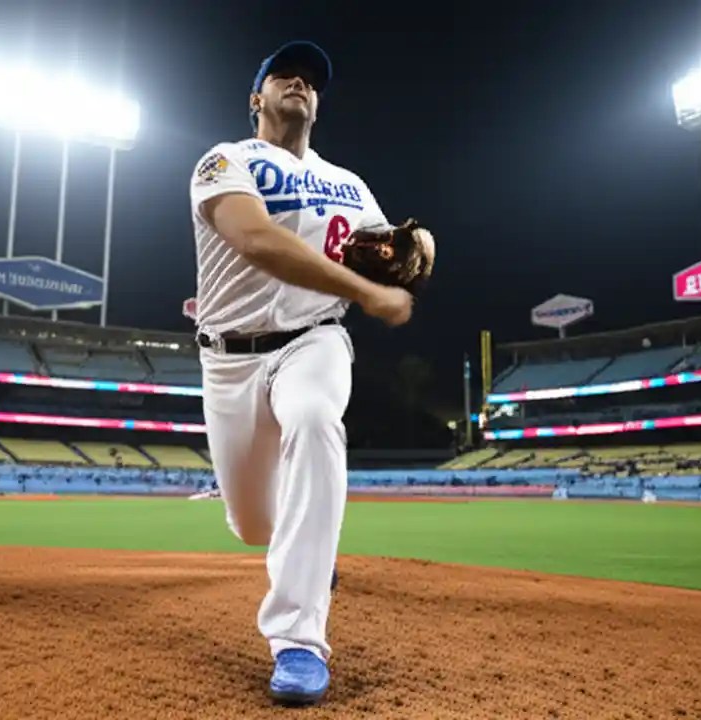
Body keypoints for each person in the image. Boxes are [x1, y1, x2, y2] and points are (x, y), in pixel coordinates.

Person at [187, 40, 414, 706]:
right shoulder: (225, 160)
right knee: (256, 525)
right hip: (229, 358)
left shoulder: (351, 185)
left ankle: (297, 642)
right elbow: (256, 240)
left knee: (316, 420)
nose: (298, 82)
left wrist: (406, 257)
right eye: (281, 76)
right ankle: (305, 547)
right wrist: (370, 292)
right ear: (255, 99)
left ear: (319, 103)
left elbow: (387, 254)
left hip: (315, 341)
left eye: (310, 80)